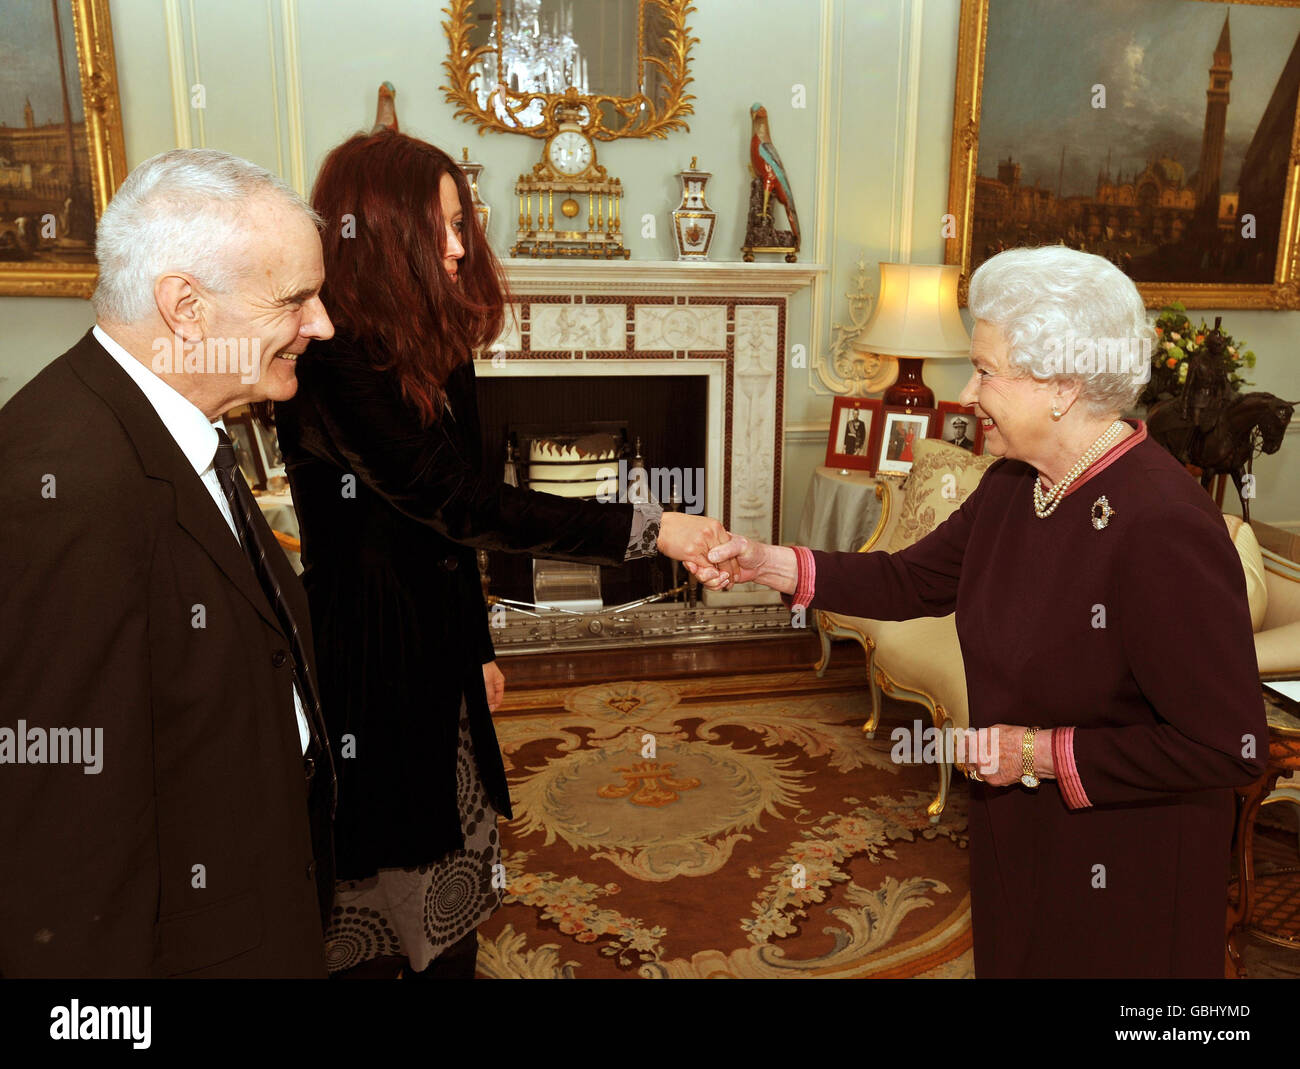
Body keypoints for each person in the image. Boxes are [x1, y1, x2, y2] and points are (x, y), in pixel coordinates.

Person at [693, 245, 1267, 978]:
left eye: (987, 370)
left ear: (1061, 386)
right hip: (1021, 836)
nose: (967, 391)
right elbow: (907, 580)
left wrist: (1033, 753)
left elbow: (1227, 746)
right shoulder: (1013, 484)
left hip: (1126, 871)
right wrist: (761, 560)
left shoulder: (1162, 525)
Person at [274, 129, 730, 979]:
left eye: (461, 222)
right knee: (385, 882)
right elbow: (460, 502)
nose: (458, 245)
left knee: (457, 863)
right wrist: (649, 528)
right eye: (438, 226)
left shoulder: (434, 345)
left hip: (440, 639)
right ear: (377, 230)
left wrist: (477, 641)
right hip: (370, 653)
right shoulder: (332, 359)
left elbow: (454, 528)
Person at [0, 149, 337, 977]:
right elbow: (61, 842)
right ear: (185, 307)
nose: (322, 323)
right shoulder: (67, 487)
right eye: (294, 299)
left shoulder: (175, 426)